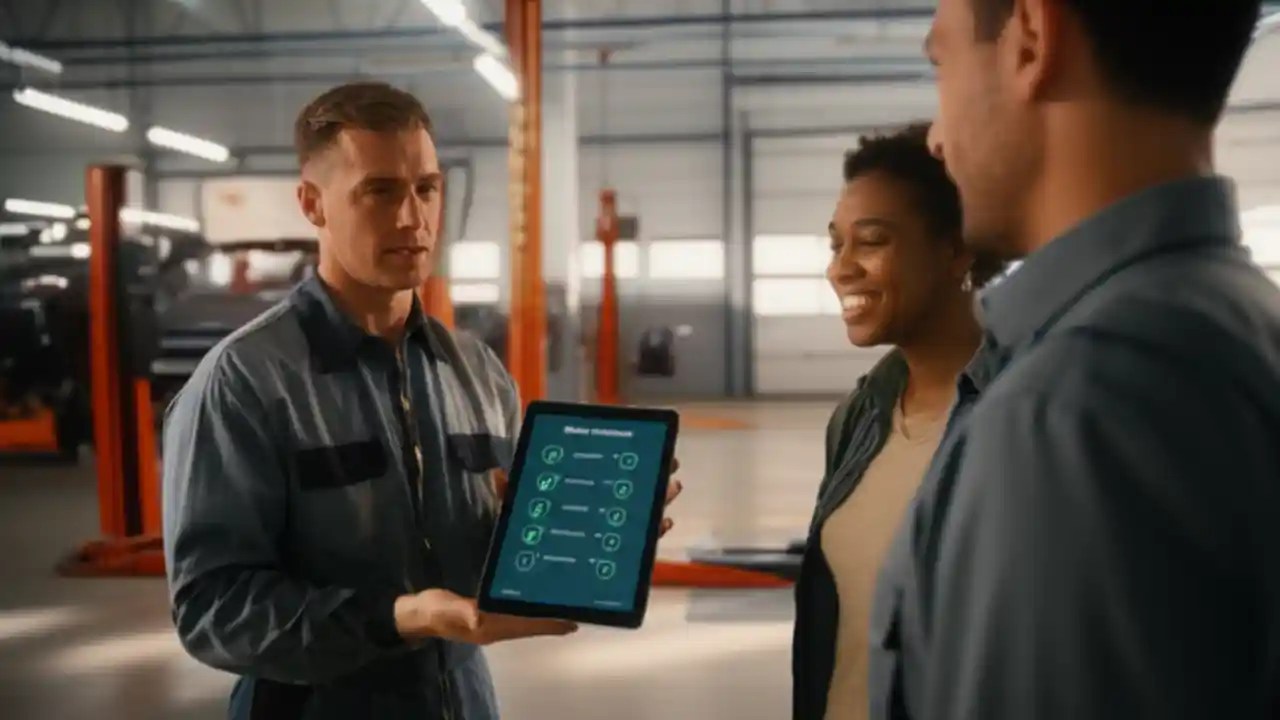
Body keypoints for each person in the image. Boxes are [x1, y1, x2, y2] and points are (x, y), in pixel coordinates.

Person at [161, 81, 682, 720]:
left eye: (427, 189)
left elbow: (483, 552)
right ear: (313, 204)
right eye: (380, 191)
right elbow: (214, 611)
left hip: (462, 702)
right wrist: (400, 617)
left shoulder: (475, 371)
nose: (414, 219)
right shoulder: (244, 382)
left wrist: (580, 528)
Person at [869, 1, 1280, 718]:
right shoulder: (1240, 322)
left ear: (1030, 40)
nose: (935, 137)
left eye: (942, 64)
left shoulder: (1068, 415)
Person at [791, 123, 1004, 720]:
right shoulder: (861, 415)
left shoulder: (1025, 414)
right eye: (836, 245)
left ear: (957, 249)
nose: (841, 269)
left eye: (872, 241)